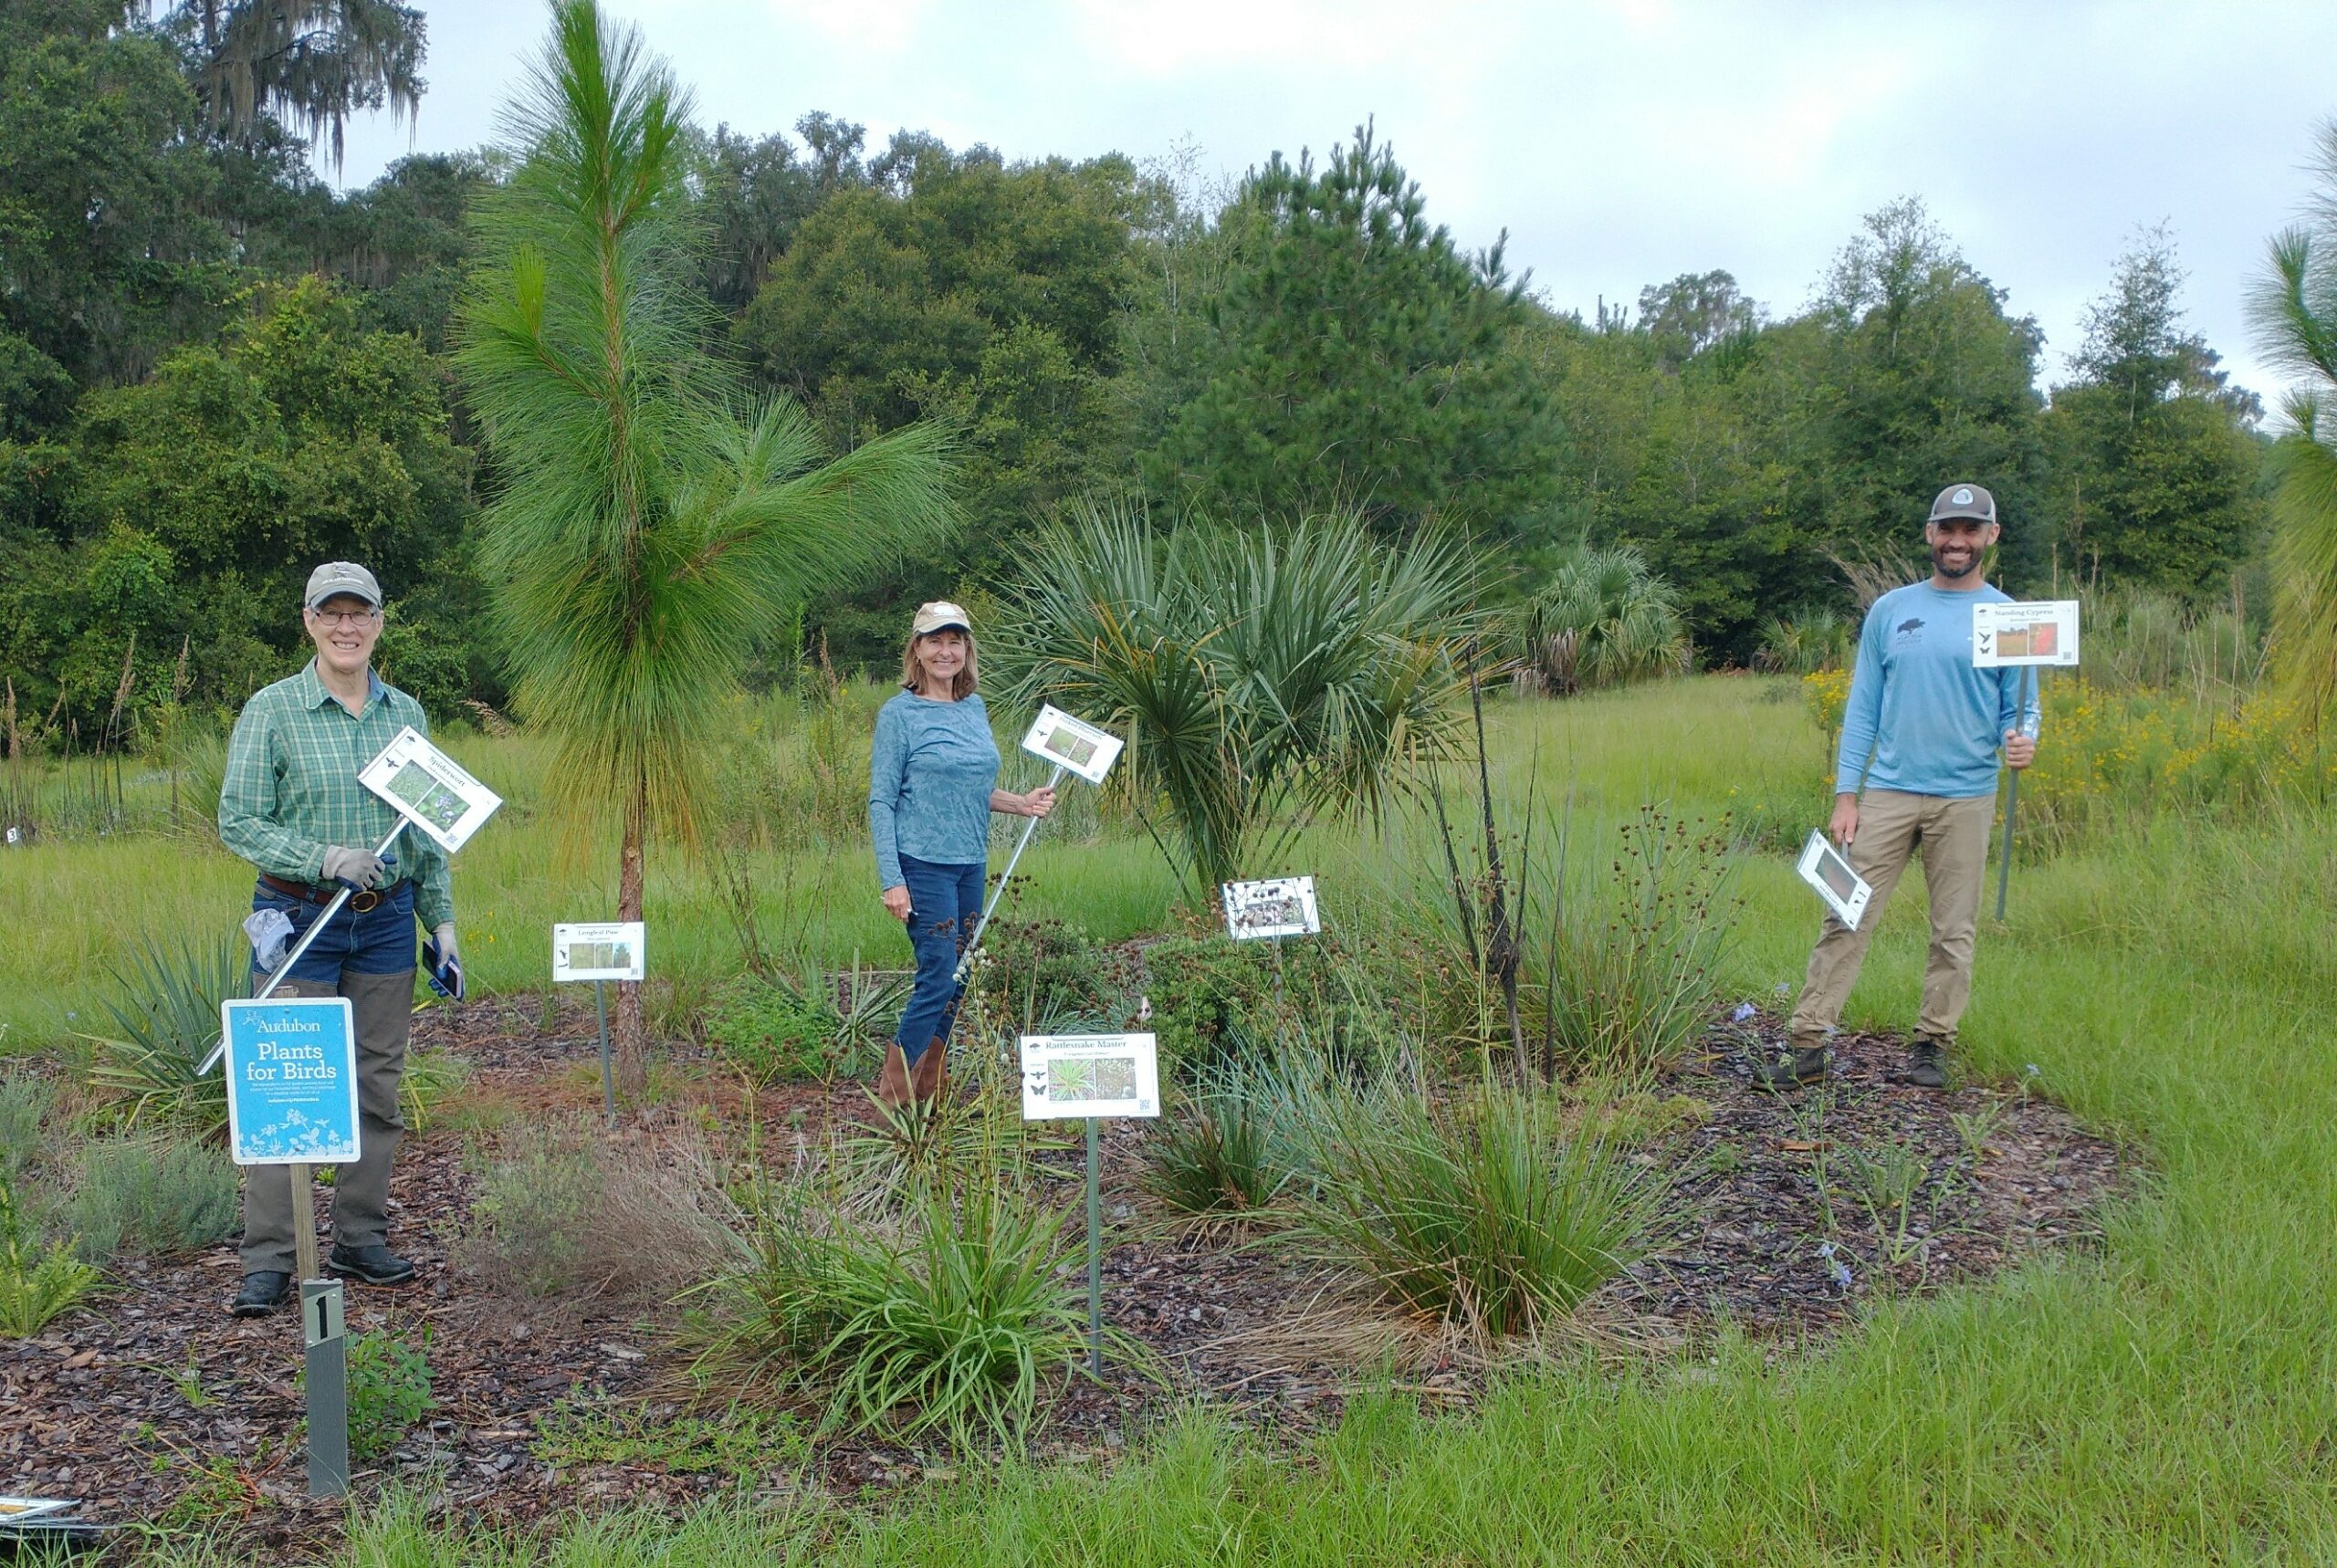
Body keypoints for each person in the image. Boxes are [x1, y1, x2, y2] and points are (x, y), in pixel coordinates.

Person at [217, 562, 458, 1315]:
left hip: (385, 924)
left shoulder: (407, 714)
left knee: (375, 1085)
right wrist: (323, 859)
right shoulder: (273, 710)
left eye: (361, 614)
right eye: (333, 614)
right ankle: (271, 1258)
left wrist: (440, 923)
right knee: (283, 1084)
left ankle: (360, 1239)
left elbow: (428, 833)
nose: (346, 627)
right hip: (300, 922)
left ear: (381, 622)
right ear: (309, 621)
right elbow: (240, 820)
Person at [1757, 484, 2039, 1093]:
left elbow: (2019, 708)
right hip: (1887, 792)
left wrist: (2023, 739)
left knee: (1953, 930)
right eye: (1947, 529)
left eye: (1970, 530)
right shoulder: (1891, 611)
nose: (1957, 541)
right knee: (1845, 913)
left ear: (1991, 536)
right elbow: (1863, 708)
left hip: (1966, 796)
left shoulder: (2006, 616)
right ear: (1930, 534)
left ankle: (1933, 1044)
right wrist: (1846, 794)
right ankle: (1807, 1045)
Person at [868, 601, 1054, 1108]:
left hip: (969, 863)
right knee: (937, 973)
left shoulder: (973, 708)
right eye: (935, 640)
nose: (945, 650)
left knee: (959, 976)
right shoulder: (899, 715)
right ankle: (894, 1107)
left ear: (966, 650)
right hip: (921, 864)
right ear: (917, 650)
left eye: (955, 640)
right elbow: (882, 800)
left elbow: (970, 787)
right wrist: (893, 878)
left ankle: (928, 1097)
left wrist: (1020, 803)